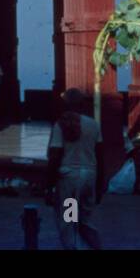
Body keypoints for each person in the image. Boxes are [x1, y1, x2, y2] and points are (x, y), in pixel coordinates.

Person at [46, 88, 103, 249]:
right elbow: (100, 156)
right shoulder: (93, 125)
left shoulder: (60, 125)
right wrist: (100, 185)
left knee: (68, 220)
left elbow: (55, 156)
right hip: (89, 177)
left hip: (69, 181)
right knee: (84, 219)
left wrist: (48, 185)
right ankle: (95, 245)